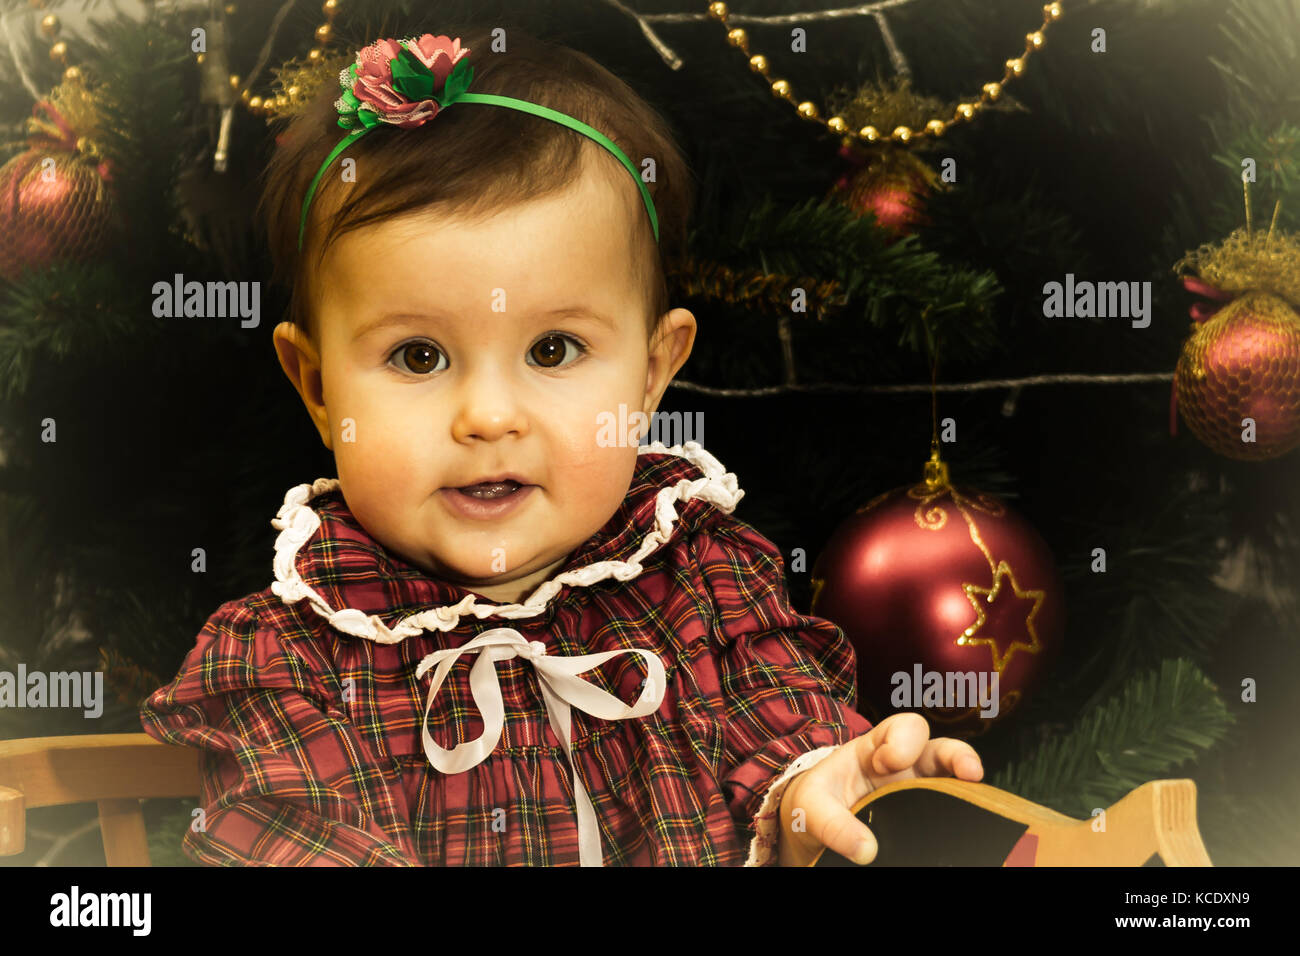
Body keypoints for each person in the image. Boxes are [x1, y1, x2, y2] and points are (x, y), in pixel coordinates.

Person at [140, 25, 982, 867]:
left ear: (652, 373)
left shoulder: (703, 582)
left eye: (552, 350)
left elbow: (778, 723)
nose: (489, 418)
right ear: (319, 388)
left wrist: (816, 791)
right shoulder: (288, 656)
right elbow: (291, 830)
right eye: (418, 357)